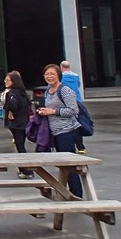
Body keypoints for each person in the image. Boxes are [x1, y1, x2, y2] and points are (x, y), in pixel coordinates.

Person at [37, 64, 83, 197]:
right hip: (54, 132)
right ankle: (67, 193)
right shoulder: (48, 91)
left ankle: (76, 195)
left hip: (67, 131)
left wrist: (53, 111)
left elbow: (74, 110)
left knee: (69, 165)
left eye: (52, 74)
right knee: (63, 165)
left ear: (59, 75)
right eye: (47, 74)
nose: (49, 77)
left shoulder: (64, 90)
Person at [2, 70, 34, 178]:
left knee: (20, 146)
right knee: (20, 145)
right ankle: (24, 168)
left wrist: (10, 110)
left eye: (7, 80)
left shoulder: (12, 93)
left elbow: (13, 105)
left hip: (16, 123)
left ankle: (26, 170)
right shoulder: (23, 93)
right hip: (23, 122)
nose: (5, 81)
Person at [59, 60, 86, 153]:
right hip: (78, 101)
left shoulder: (61, 77)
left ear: (61, 67)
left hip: (66, 102)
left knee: (68, 124)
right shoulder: (76, 76)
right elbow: (78, 85)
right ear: (69, 67)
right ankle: (81, 147)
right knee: (77, 123)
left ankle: (71, 147)